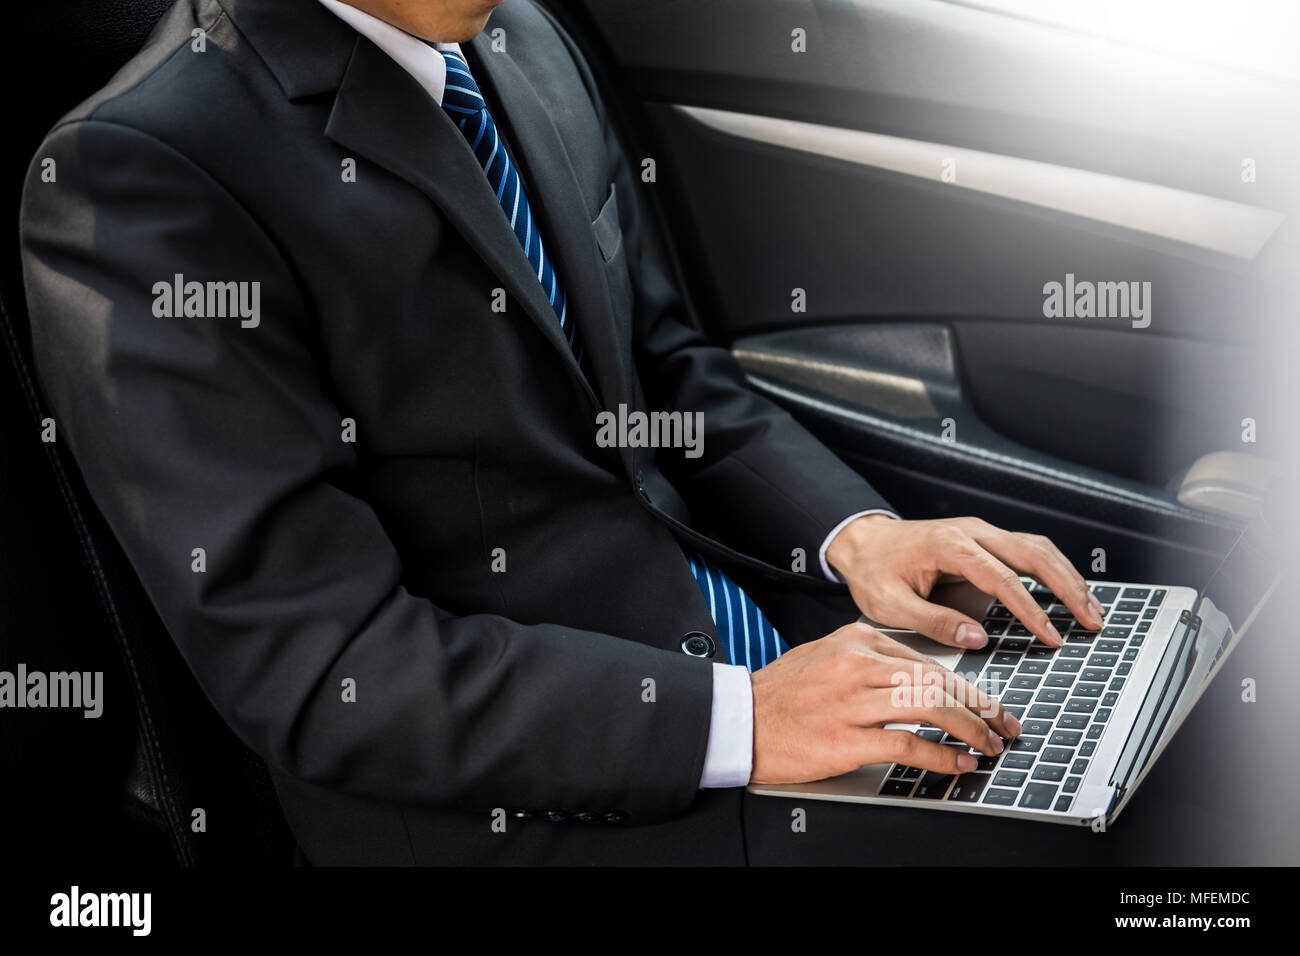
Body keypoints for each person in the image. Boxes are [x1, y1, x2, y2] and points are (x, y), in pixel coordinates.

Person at [19, 0, 1102, 864]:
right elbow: (326, 666)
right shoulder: (148, 174)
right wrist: (745, 717)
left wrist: (853, 535)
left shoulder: (524, 36)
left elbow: (666, 369)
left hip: (757, 639)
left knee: (1115, 737)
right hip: (538, 791)